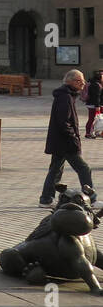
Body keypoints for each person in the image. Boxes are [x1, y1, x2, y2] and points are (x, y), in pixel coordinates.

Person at [39, 69, 95, 207]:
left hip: (60, 142)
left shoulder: (67, 95)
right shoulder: (65, 97)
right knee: (83, 169)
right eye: (79, 80)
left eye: (83, 80)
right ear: (69, 81)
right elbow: (63, 121)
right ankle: (91, 198)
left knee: (55, 170)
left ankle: (46, 199)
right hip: (66, 142)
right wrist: (74, 137)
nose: (82, 83)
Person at [85, 70, 103, 140]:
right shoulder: (96, 85)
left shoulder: (95, 83)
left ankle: (98, 132)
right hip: (94, 105)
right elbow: (96, 96)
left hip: (95, 104)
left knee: (97, 119)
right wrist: (97, 106)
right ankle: (88, 133)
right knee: (92, 119)